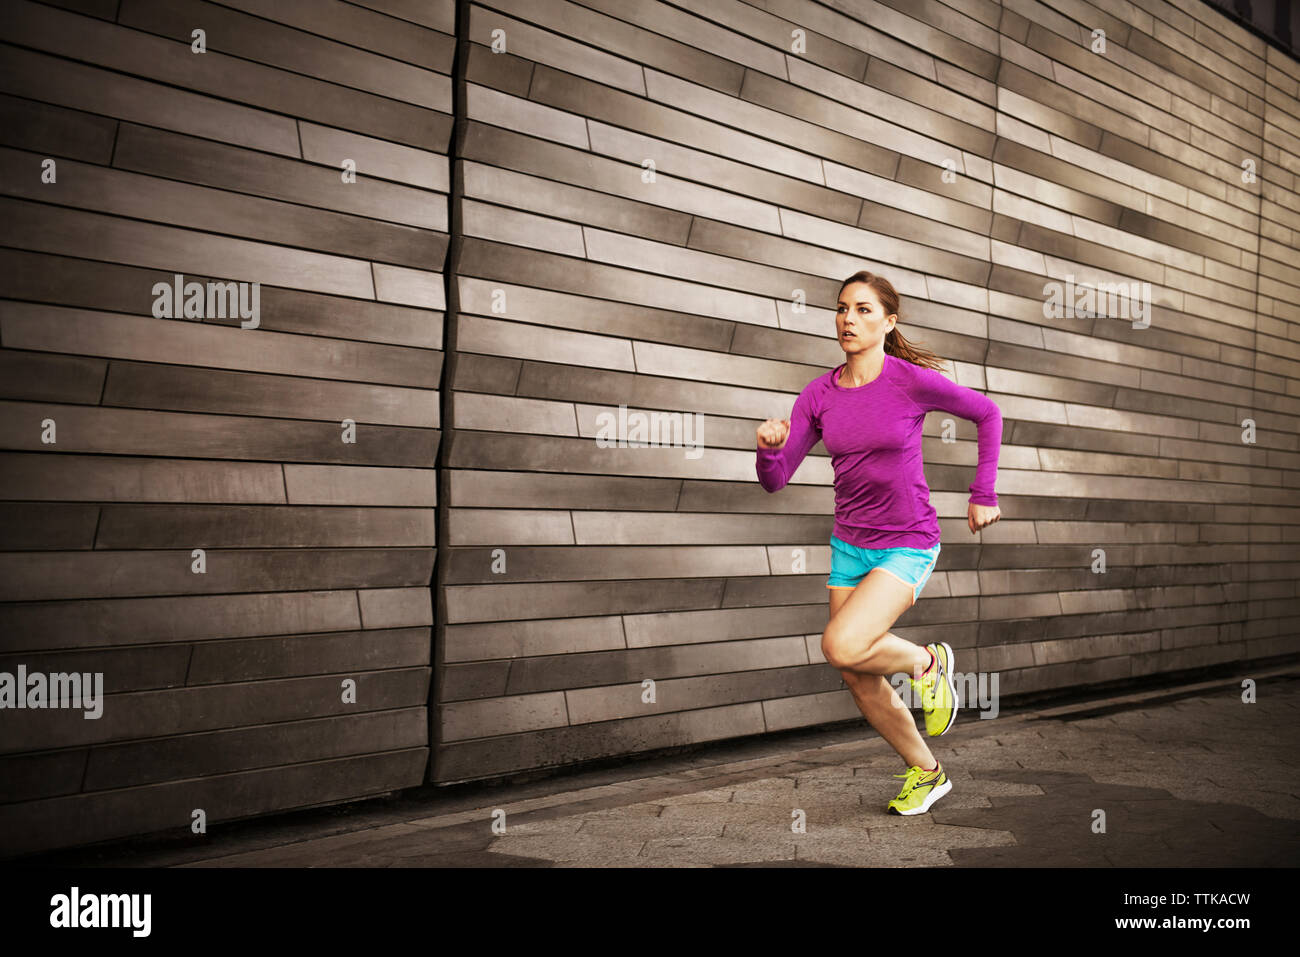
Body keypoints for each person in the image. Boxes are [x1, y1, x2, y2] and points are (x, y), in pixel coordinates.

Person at [755, 270, 1002, 815]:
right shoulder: (818, 395)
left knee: (841, 645)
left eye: (864, 310)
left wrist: (982, 492)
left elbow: (987, 412)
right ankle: (928, 772)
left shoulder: (908, 380)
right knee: (856, 673)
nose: (848, 319)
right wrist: (770, 448)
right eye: (843, 308)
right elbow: (776, 479)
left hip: (908, 541)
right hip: (850, 545)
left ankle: (925, 664)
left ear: (889, 322)